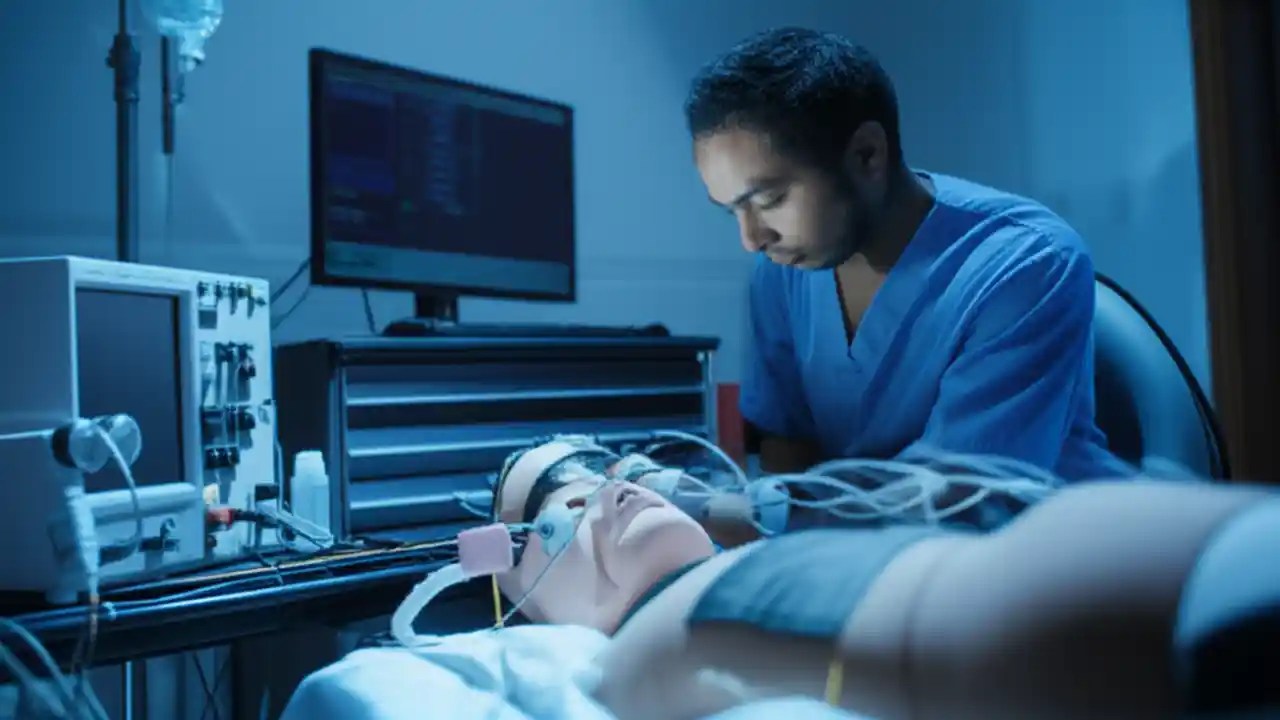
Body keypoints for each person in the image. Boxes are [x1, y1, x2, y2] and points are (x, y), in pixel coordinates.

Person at [489, 439, 1280, 719]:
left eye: (617, 476)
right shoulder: (673, 633)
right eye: (572, 503)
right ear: (525, 603)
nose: (621, 491)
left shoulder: (733, 583)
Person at [686, 27, 1132, 481]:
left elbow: (966, 496)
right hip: (863, 541)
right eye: (732, 212)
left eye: (768, 201)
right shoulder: (781, 270)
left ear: (867, 155)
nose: (751, 238)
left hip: (1040, 539)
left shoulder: (1025, 263)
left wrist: (749, 517)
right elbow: (788, 445)